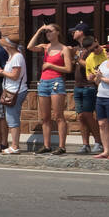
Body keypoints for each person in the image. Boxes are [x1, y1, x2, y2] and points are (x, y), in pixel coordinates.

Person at [27, 23, 71, 154]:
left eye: (50, 31)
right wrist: (39, 30)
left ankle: (62, 146)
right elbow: (30, 47)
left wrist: (51, 65)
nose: (48, 34)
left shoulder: (64, 49)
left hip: (56, 81)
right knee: (45, 117)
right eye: (46, 32)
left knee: (58, 115)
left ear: (57, 32)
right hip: (43, 81)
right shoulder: (45, 47)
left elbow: (68, 69)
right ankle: (47, 145)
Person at [72, 30, 105, 154]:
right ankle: (86, 144)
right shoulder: (90, 56)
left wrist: (75, 57)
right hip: (79, 85)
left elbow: (85, 65)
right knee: (81, 116)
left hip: (91, 88)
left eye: (96, 47)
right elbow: (89, 72)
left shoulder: (107, 52)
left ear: (97, 40)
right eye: (92, 49)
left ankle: (98, 141)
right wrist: (92, 76)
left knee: (88, 114)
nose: (95, 50)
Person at [0, 36, 29, 154]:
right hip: (10, 90)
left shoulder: (17, 57)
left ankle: (15, 145)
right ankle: (14, 145)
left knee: (12, 119)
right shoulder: (12, 56)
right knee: (11, 118)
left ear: (10, 45)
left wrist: (1, 72)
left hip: (15, 92)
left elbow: (15, 75)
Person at [92, 34, 109, 159]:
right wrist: (97, 77)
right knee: (102, 124)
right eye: (107, 50)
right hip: (101, 96)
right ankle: (106, 151)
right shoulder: (104, 63)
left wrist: (102, 78)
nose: (108, 52)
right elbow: (97, 82)